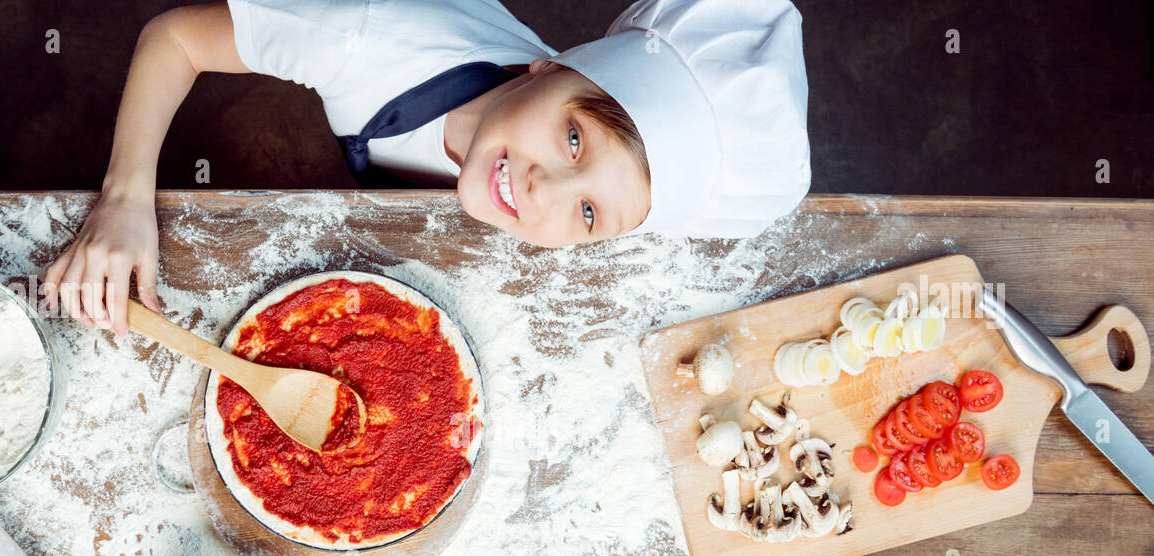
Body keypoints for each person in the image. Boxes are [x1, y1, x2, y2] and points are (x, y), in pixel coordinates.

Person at [47, 0, 810, 335]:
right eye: (575, 141)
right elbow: (174, 39)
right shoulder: (362, 36)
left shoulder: (526, 147)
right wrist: (123, 199)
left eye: (588, 216)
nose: (546, 192)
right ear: (546, 66)